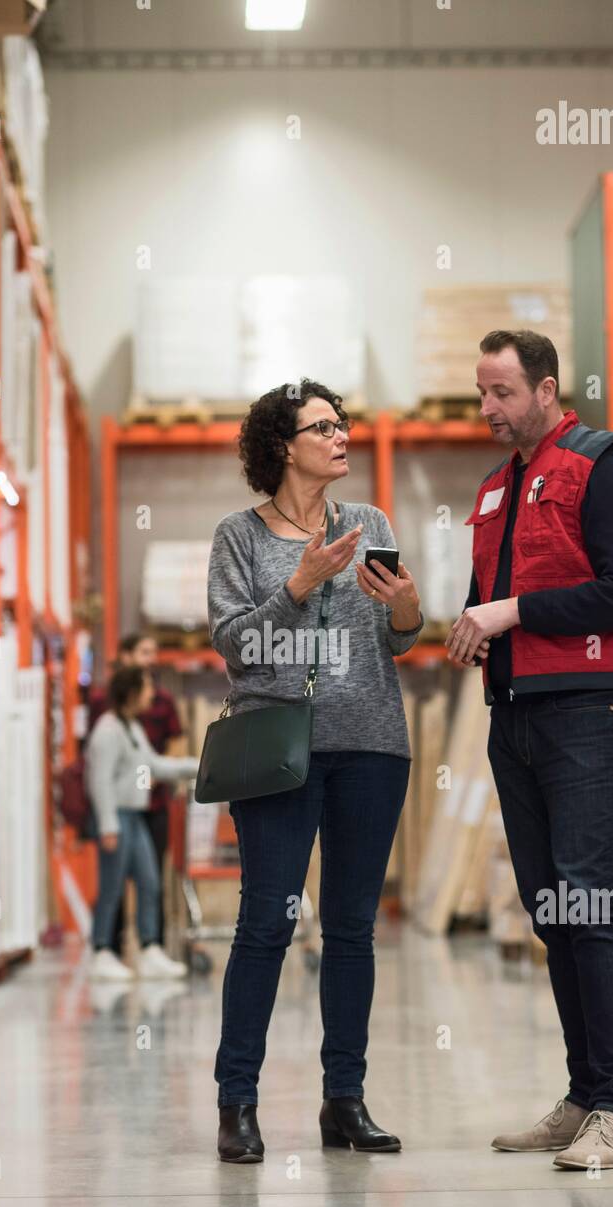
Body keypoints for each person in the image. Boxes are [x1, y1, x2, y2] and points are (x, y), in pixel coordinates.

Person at [447, 329, 613, 1172]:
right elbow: (483, 603)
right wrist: (460, 621)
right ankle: (583, 1096)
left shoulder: (598, 463)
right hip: (517, 719)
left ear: (546, 389)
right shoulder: (496, 489)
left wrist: (514, 614)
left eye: (501, 392)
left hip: (591, 714)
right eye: (480, 393)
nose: (489, 408)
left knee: (594, 906)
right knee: (553, 912)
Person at [206, 377, 425, 1163]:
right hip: (277, 751)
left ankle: (345, 1101)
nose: (341, 436)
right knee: (266, 924)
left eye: (344, 424)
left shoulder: (368, 522)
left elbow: (402, 638)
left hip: (370, 745)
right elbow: (233, 644)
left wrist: (403, 604)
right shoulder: (239, 536)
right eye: (324, 427)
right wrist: (298, 585)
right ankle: (237, 1104)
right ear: (282, 447)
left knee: (352, 931)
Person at [84, 665, 199, 982]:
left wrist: (198, 767)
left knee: (150, 881)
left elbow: (154, 765)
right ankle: (101, 950)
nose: (153, 694)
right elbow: (100, 781)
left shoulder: (131, 728)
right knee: (112, 887)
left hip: (135, 818)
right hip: (116, 818)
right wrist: (108, 825)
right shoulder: (107, 731)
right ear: (132, 692)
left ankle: (150, 948)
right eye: (147, 687)